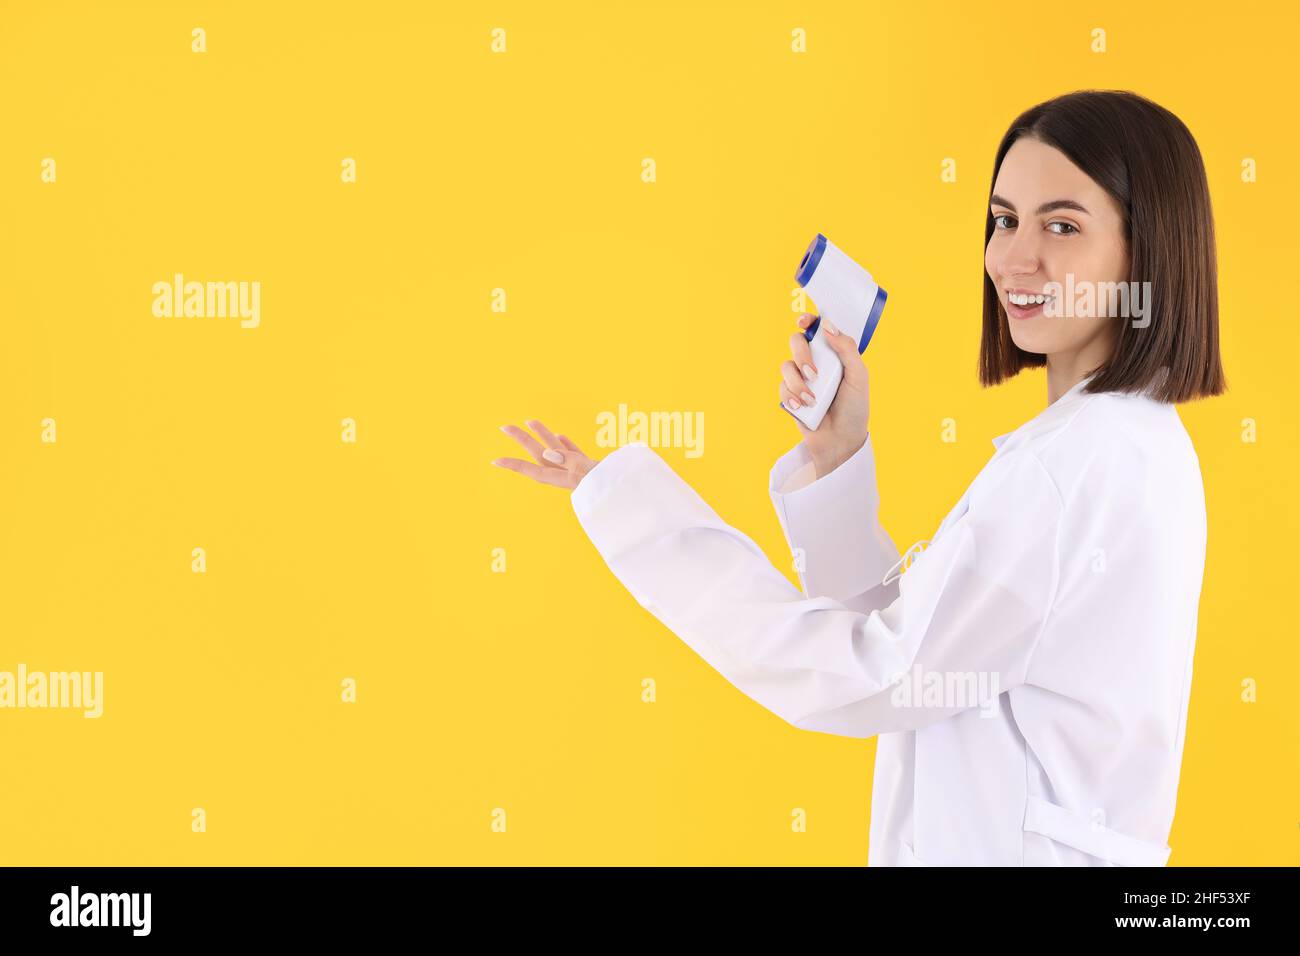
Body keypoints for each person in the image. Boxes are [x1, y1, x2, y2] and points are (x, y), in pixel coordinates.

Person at [491, 89, 1226, 866]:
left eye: (1062, 225)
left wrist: (638, 514)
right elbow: (926, 657)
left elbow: (875, 676)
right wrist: (837, 456)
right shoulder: (1131, 445)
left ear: (1146, 250)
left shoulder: (1072, 467)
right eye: (1005, 219)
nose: (1014, 258)